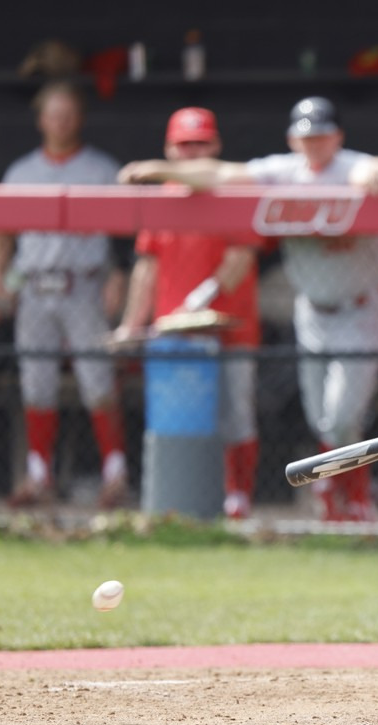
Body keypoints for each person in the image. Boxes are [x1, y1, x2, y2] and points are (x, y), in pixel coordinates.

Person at [118, 96, 378, 522]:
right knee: (323, 417)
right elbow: (221, 174)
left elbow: (374, 169)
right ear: (291, 138)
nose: (313, 144)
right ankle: (342, 499)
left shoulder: (351, 164)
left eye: (322, 135)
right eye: (305, 136)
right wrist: (161, 169)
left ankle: (343, 495)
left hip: (360, 308)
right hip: (313, 310)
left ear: (337, 137)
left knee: (341, 415)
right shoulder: (283, 170)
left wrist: (376, 174)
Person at [112, 107, 262, 520]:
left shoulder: (235, 191)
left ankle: (238, 497)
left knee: (236, 417)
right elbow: (148, 265)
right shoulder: (163, 200)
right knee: (176, 416)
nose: (193, 152)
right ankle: (177, 506)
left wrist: (206, 294)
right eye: (185, 144)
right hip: (173, 331)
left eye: (201, 143)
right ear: (169, 149)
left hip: (230, 327)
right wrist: (131, 323)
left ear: (216, 146)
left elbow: (242, 255)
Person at [0, 80, 128, 509]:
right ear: (40, 121)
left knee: (97, 381)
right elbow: (5, 237)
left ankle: (116, 474)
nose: (61, 121)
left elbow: (123, 238)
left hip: (83, 283)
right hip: (34, 286)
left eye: (68, 114)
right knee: (37, 383)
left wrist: (118, 277)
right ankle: (37, 476)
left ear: (80, 118)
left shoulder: (102, 169)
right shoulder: (20, 172)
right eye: (54, 114)